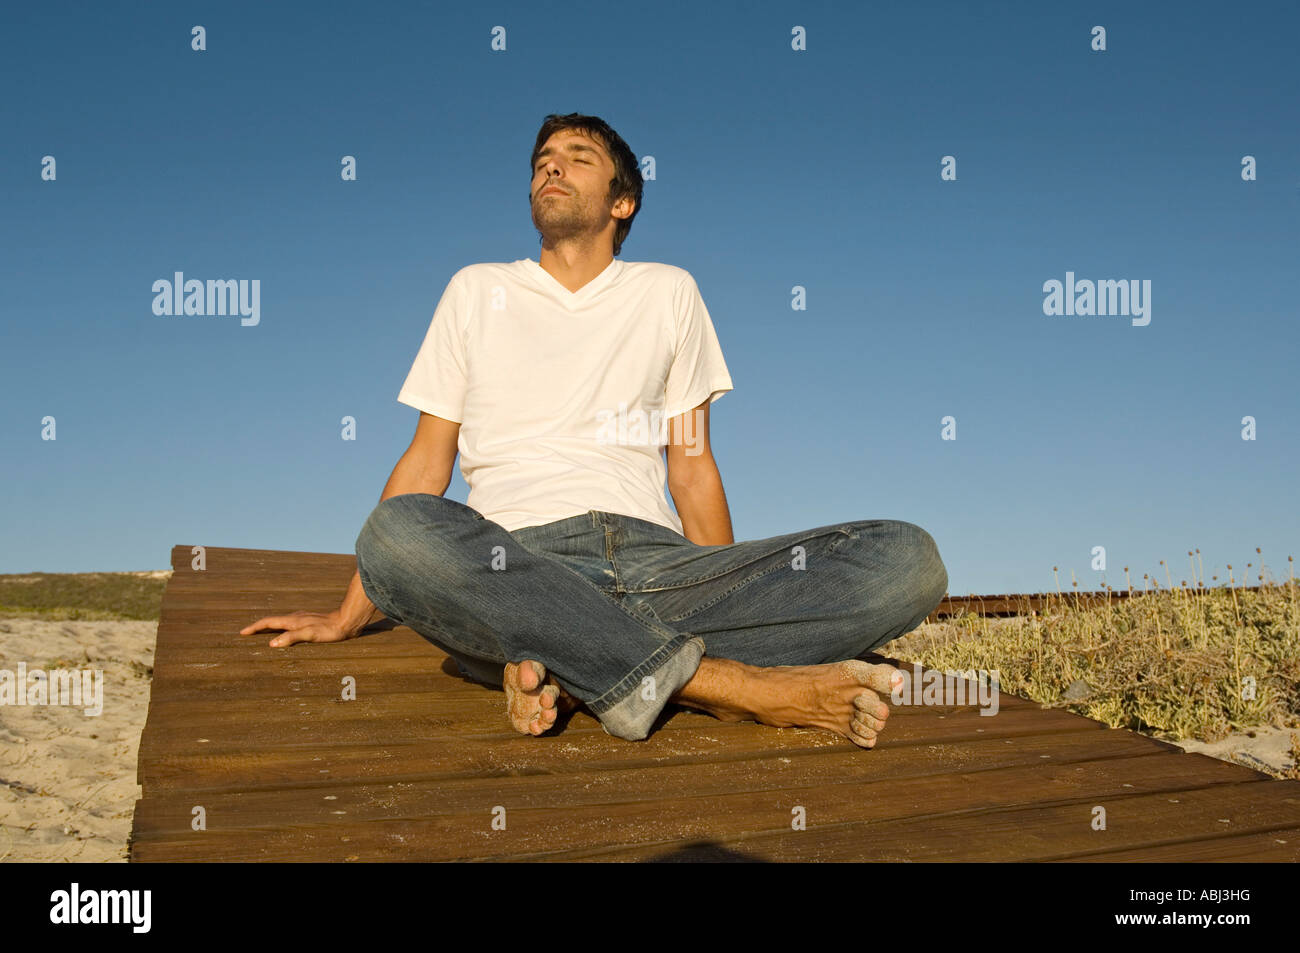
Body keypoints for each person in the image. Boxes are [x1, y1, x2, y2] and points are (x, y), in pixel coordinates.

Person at [241, 113, 948, 747]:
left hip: (656, 564)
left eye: (577, 156)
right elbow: (427, 461)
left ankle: (571, 665)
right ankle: (735, 689)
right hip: (516, 564)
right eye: (543, 157)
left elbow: (692, 466)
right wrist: (346, 614)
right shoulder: (474, 290)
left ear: (622, 200)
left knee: (907, 559)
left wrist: (724, 582)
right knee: (393, 533)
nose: (551, 164)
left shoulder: (669, 292)